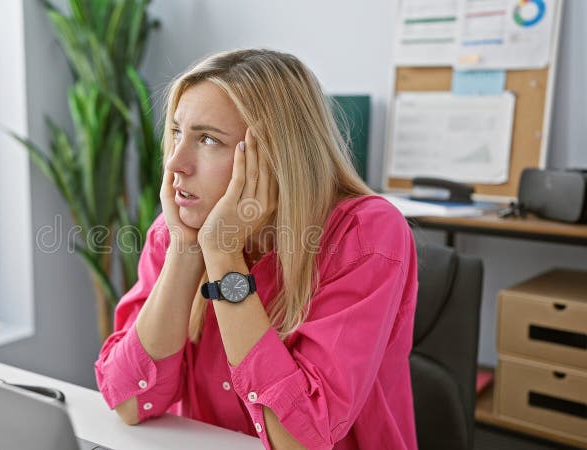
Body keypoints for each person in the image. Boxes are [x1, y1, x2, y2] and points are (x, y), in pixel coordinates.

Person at [94, 49, 418, 450]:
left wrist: (224, 257)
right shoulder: (181, 228)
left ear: (273, 156)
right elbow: (129, 401)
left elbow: (297, 440)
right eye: (177, 133)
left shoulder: (367, 234)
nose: (175, 163)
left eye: (208, 139)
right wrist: (185, 251)